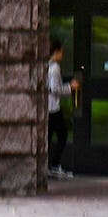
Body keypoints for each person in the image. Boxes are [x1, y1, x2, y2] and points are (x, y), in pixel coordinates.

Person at [46, 39, 72, 179]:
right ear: (56, 52)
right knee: (62, 134)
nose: (63, 55)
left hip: (47, 107)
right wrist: (70, 88)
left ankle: (47, 165)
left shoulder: (46, 65)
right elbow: (55, 89)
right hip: (53, 108)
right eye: (62, 52)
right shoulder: (55, 68)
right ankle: (54, 165)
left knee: (48, 137)